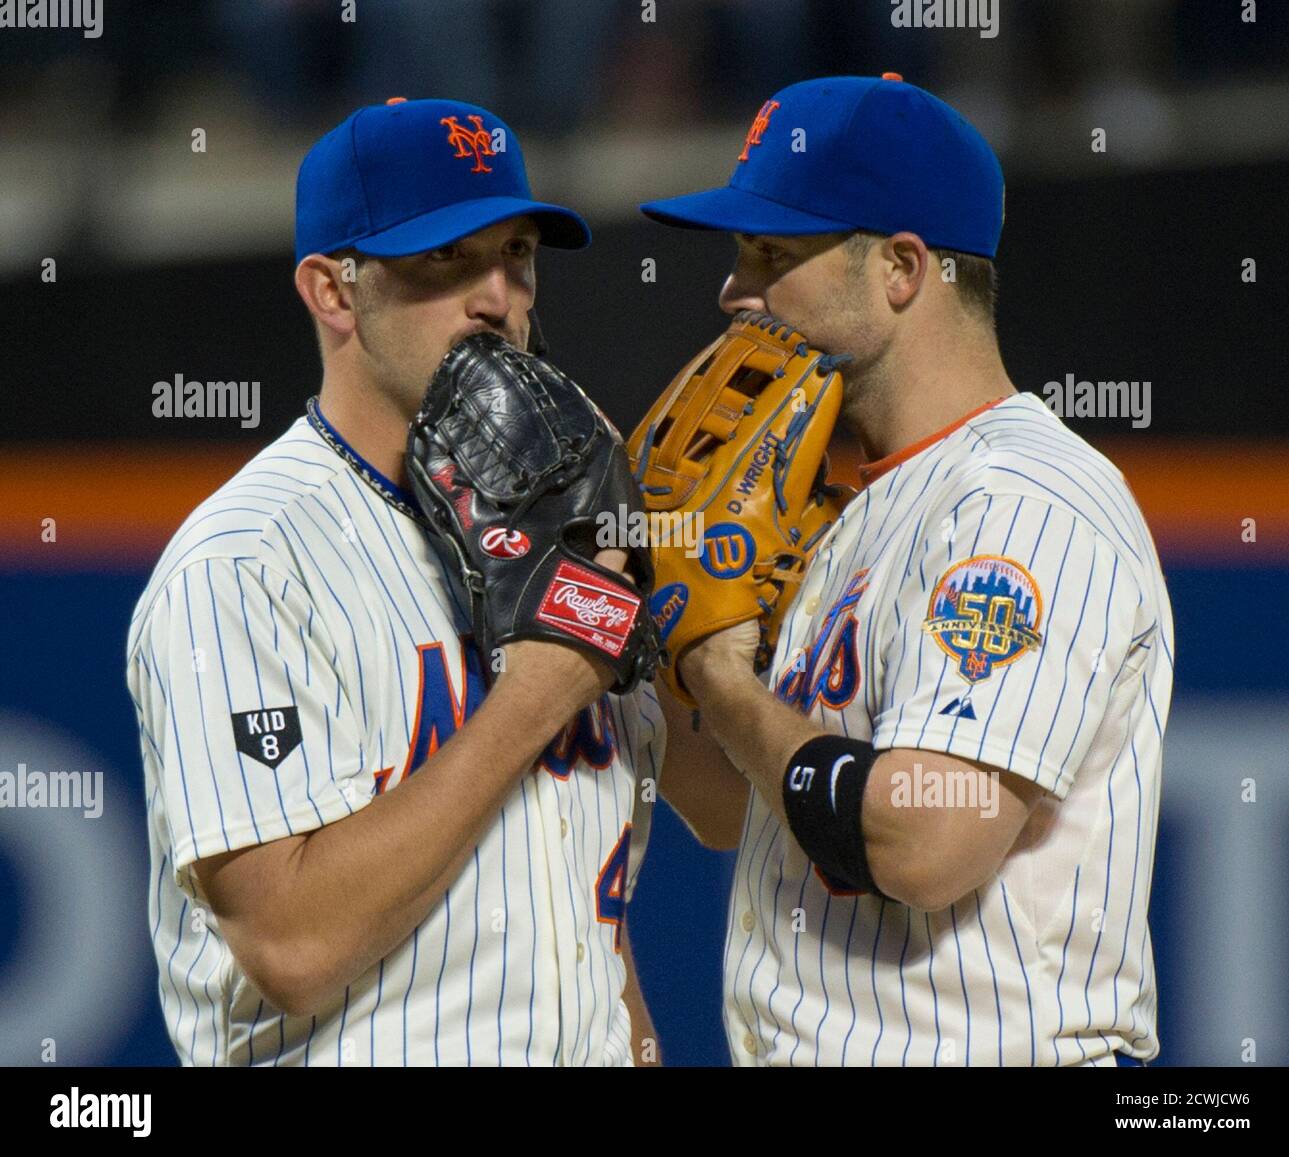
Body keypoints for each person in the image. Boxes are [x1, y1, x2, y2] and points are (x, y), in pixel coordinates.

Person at [641, 74, 1173, 1066]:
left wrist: (721, 678)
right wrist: (641, 638)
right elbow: (732, 806)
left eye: (772, 252)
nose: (732, 289)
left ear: (898, 266)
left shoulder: (1020, 502)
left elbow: (927, 841)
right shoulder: (851, 511)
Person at [126, 97, 664, 1067]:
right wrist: (535, 697)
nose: (496, 296)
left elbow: (576, 899)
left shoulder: (563, 519)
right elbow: (290, 943)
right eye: (446, 260)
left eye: (517, 256)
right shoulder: (247, 562)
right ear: (334, 291)